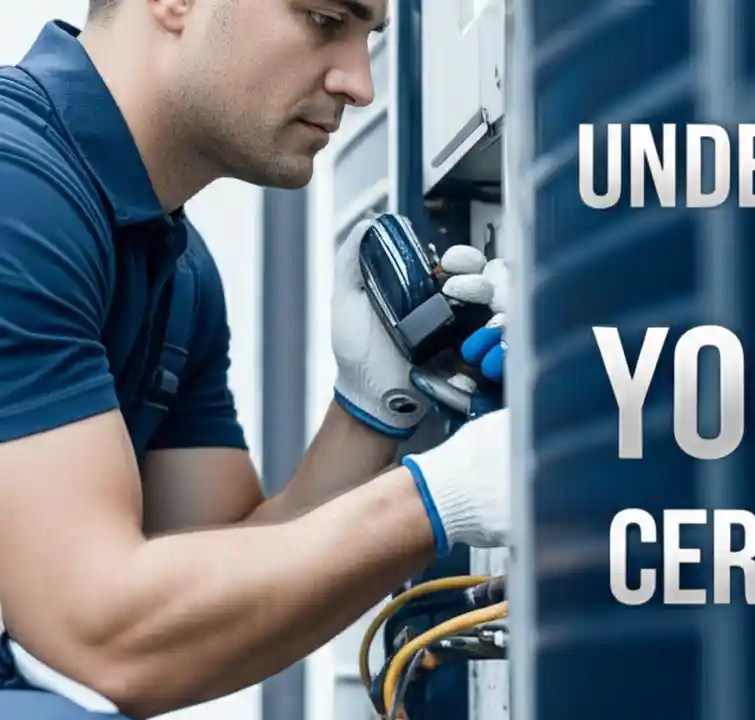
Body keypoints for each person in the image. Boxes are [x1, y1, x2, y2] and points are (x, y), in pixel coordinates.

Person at [0, 2, 510, 718]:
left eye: (370, 40)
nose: (361, 84)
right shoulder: (16, 194)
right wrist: (445, 495)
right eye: (326, 20)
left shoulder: (176, 273)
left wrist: (371, 409)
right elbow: (106, 635)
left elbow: (224, 579)